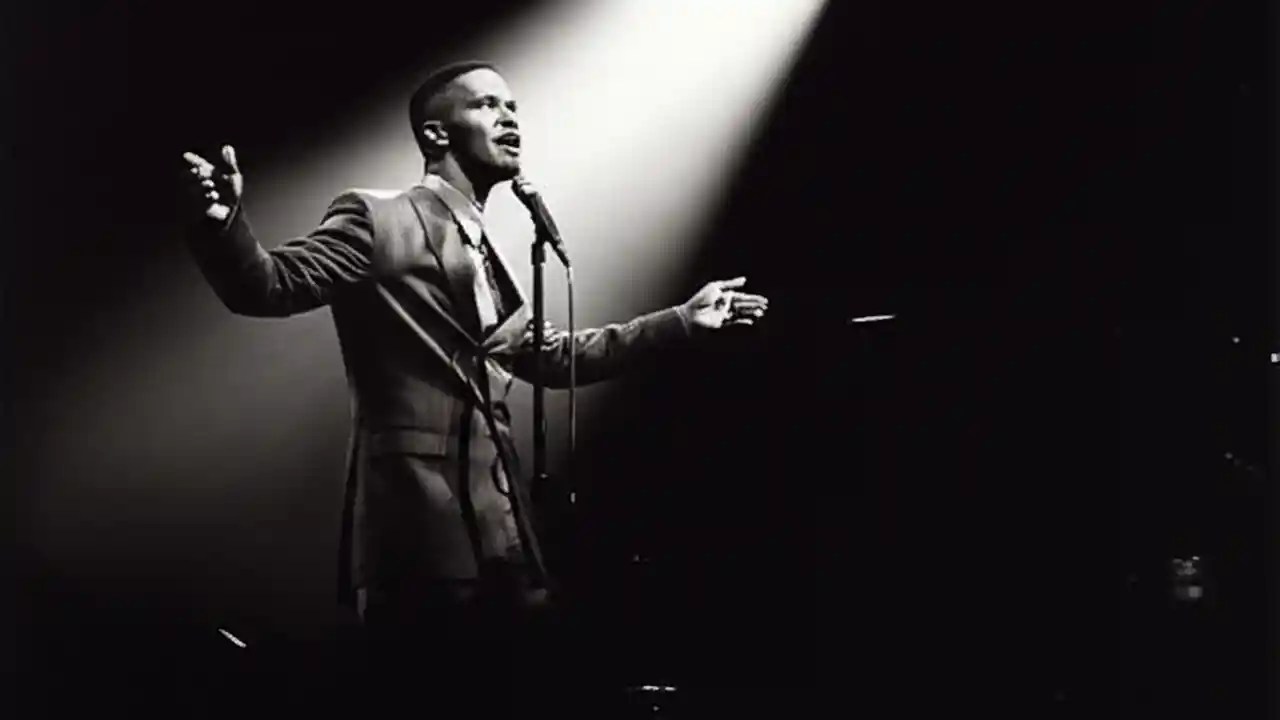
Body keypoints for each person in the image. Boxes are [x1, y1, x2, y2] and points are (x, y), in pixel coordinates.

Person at [181, 60, 769, 712]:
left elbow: (552, 357)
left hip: (503, 529)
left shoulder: (490, 255)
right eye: (487, 105)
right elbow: (269, 284)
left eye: (513, 106)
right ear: (436, 135)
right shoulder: (378, 218)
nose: (510, 117)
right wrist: (221, 224)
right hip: (418, 527)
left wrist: (679, 322)